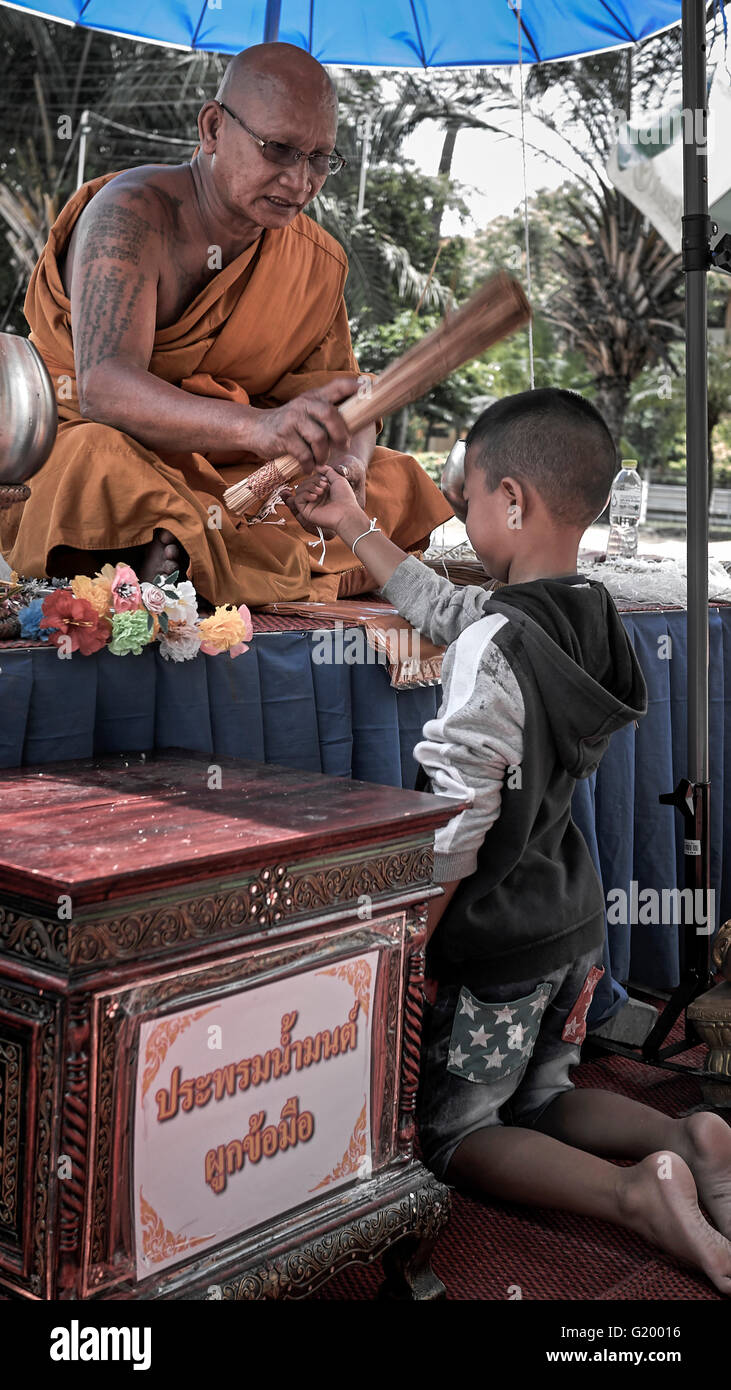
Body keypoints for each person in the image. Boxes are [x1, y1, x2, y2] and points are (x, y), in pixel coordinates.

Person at [288, 386, 731, 1296]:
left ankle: (634, 1195)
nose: (461, 513)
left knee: (461, 1130)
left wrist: (413, 934)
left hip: (495, 942)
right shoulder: (591, 614)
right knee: (546, 1095)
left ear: (514, 500)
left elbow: (457, 822)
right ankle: (682, 1135)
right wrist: (354, 524)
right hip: (571, 926)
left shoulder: (498, 641)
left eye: (470, 497)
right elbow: (467, 621)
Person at [0, 42, 452, 608]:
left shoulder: (316, 260)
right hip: (114, 441)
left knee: (398, 477)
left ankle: (172, 556)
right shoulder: (129, 217)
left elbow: (346, 397)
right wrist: (254, 429)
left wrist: (347, 463)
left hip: (240, 471)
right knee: (96, 465)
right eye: (280, 150)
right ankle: (186, 551)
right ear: (213, 129)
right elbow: (103, 388)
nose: (300, 181)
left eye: (319, 159)